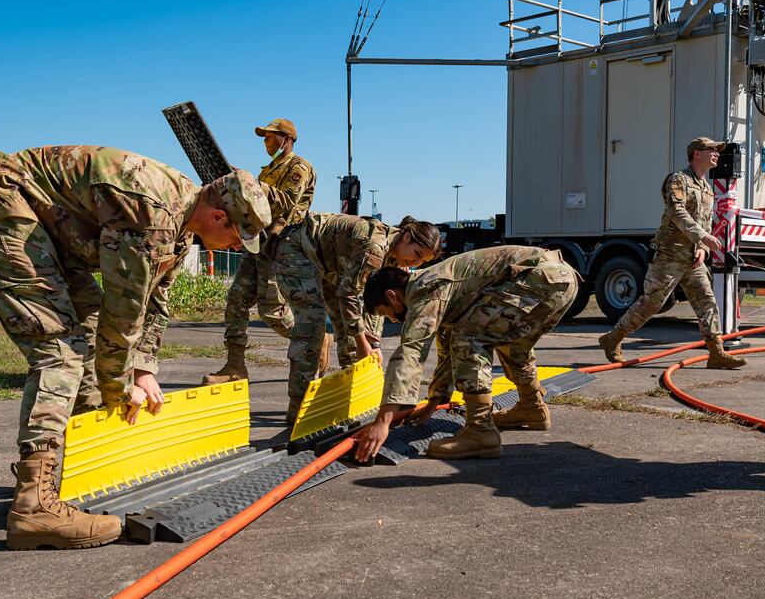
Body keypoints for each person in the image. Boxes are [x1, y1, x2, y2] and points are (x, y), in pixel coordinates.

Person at [0, 146, 270, 550]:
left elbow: (154, 299)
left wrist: (145, 367)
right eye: (240, 237)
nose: (238, 248)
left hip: (47, 230)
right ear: (219, 216)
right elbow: (124, 313)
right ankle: (33, 507)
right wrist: (119, 388)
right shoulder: (151, 213)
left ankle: (77, 469)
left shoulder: (181, 224)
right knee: (60, 349)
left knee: (90, 327)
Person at [352, 246, 579, 463]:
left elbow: (411, 349)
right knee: (511, 343)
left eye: (387, 314)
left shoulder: (424, 288)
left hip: (541, 279)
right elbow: (446, 348)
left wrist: (383, 420)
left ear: (392, 296)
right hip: (561, 279)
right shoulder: (434, 288)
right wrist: (434, 402)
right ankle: (532, 407)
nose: (393, 320)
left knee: (470, 336)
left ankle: (480, 431)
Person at [273, 213, 441, 424]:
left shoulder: (395, 256)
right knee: (312, 327)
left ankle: (350, 401)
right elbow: (349, 294)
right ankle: (298, 410)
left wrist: (373, 342)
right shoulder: (375, 247)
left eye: (421, 261)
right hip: (297, 251)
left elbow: (374, 303)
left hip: (328, 265)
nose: (413, 263)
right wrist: (363, 343)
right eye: (416, 254)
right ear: (406, 237)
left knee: (351, 333)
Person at [597, 137, 746, 370]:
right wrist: (703, 238)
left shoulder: (706, 188)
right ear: (697, 153)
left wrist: (702, 248)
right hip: (670, 254)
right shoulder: (678, 180)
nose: (717, 153)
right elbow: (677, 213)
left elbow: (705, 223)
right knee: (652, 303)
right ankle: (612, 339)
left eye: (718, 150)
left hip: (692, 258)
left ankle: (716, 352)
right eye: (712, 149)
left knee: (706, 301)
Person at [203, 118, 316, 385]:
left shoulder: (299, 167)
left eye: (269, 136)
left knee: (271, 310)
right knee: (236, 301)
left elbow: (286, 203)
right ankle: (235, 366)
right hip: (257, 243)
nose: (265, 141)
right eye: (264, 137)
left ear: (286, 139)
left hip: (282, 246)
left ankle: (316, 340)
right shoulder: (268, 170)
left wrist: (250, 183)